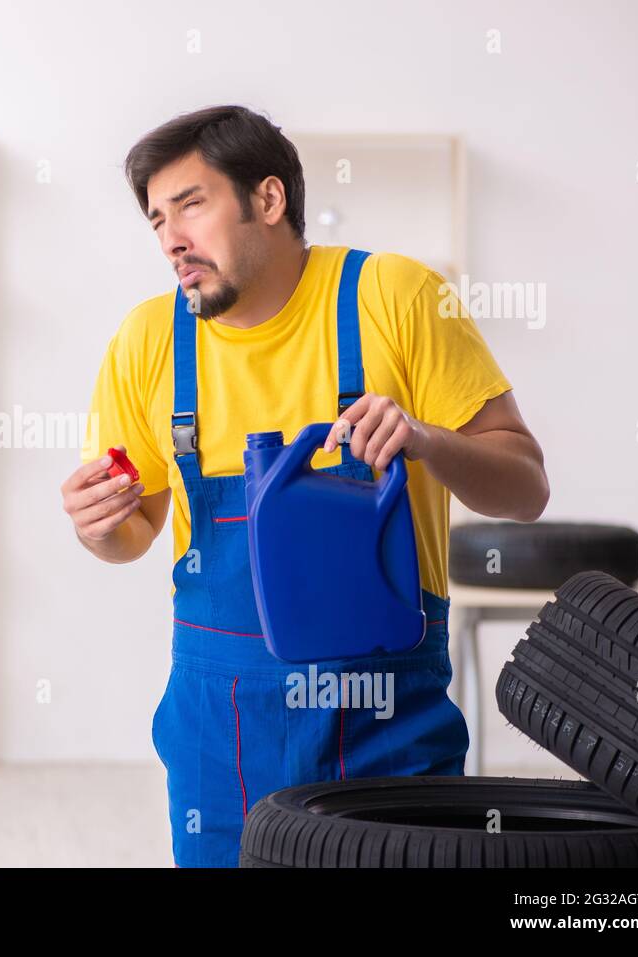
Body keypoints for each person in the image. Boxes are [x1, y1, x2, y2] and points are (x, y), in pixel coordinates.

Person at [60, 105, 549, 867]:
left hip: (385, 720)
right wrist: (97, 526)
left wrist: (425, 440)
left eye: (191, 203)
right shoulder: (148, 340)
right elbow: (130, 533)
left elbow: (526, 488)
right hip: (218, 733)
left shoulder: (395, 296)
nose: (171, 239)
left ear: (269, 198)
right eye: (157, 219)